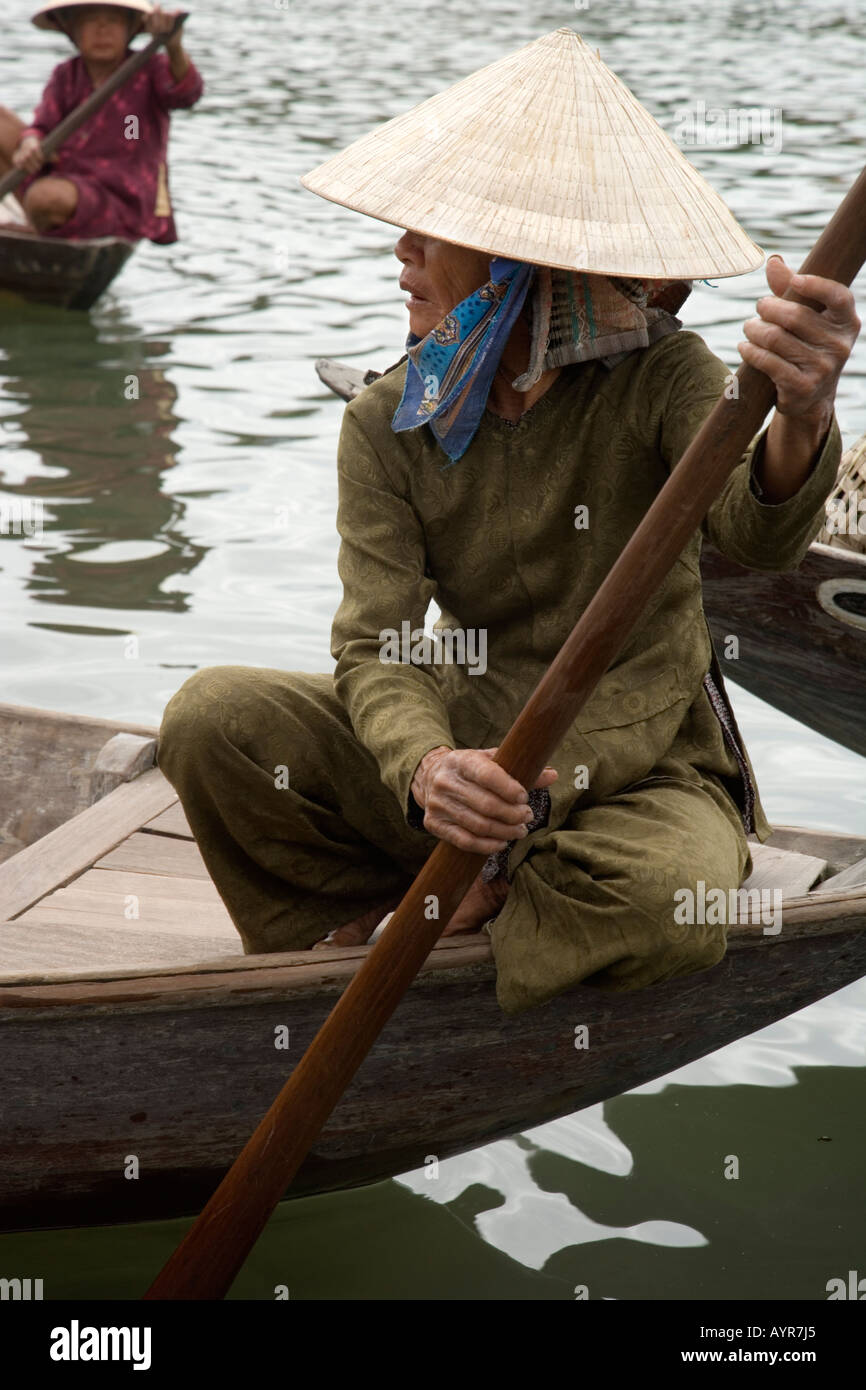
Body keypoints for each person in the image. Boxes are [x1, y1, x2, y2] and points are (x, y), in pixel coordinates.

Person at [157, 30, 859, 1014]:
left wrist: (801, 408)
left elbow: (756, 527)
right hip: (464, 740)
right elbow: (377, 645)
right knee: (212, 719)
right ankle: (391, 898)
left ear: (519, 266)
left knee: (671, 901)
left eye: (430, 230)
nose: (400, 250)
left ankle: (466, 902)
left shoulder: (660, 377)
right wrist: (429, 768)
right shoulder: (388, 420)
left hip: (636, 769)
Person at [0, 1, 202, 241]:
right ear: (71, 29)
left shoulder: (149, 72)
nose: (102, 30)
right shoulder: (66, 75)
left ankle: (42, 226)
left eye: (113, 21)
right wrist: (30, 142)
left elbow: (186, 94)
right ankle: (39, 226)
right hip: (64, 180)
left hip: (119, 198)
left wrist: (174, 48)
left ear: (130, 29)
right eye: (90, 21)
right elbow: (42, 127)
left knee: (45, 198)